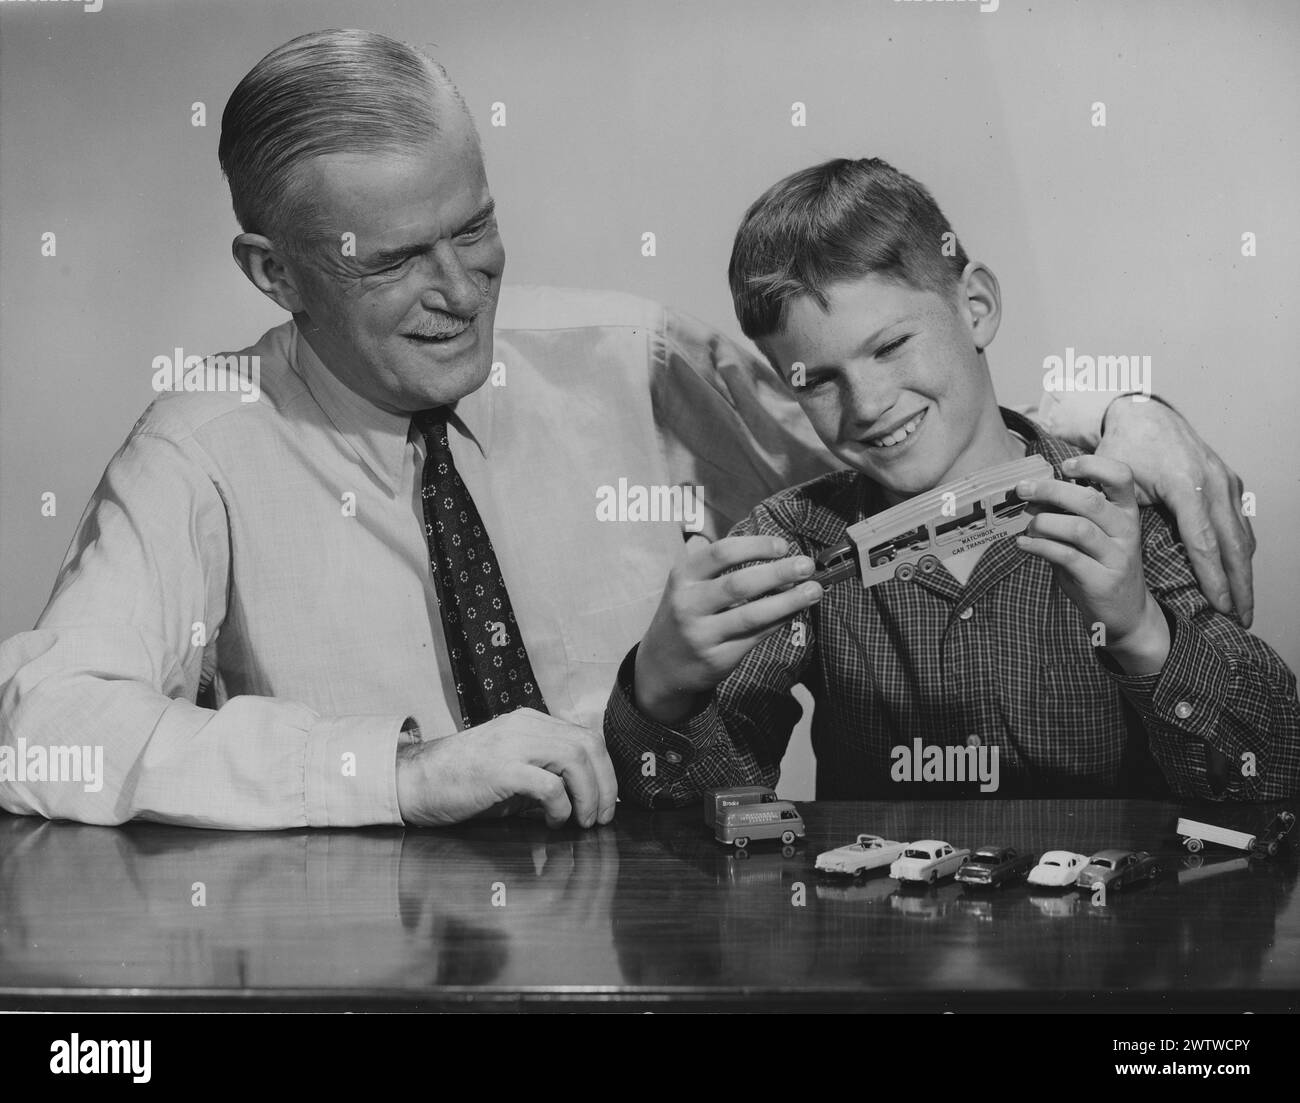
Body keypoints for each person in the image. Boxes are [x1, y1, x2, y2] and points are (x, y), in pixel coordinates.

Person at [0, 31, 1258, 829]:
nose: (459, 290)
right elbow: (43, 729)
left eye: (474, 227)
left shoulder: (629, 356)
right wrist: (394, 774)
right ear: (273, 274)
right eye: (393, 260)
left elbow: (893, 432)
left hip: (659, 931)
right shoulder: (198, 444)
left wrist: (1113, 412)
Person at [605, 157, 1299, 804]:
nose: (868, 405)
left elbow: (1279, 771)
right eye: (816, 380)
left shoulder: (1119, 510)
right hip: (884, 931)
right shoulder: (792, 545)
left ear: (976, 307)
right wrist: (661, 689)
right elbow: (707, 819)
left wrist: (1143, 631)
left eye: (890, 345)